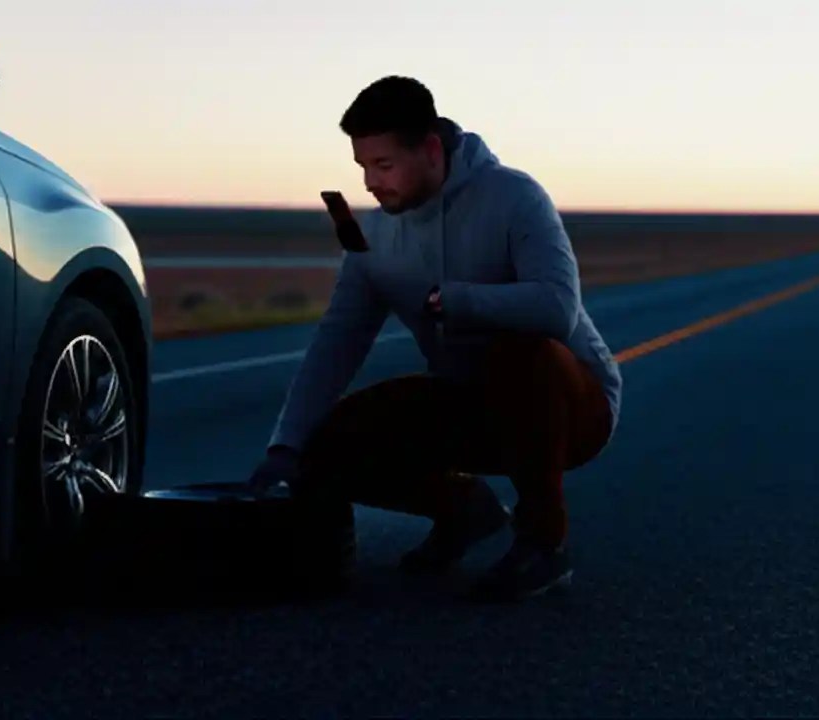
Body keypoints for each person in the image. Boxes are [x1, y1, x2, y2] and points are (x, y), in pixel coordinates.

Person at [247, 76, 623, 603]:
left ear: (429, 149)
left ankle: (544, 542)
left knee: (521, 352)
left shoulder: (515, 196)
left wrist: (460, 299)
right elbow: (338, 342)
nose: (370, 183)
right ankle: (463, 509)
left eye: (383, 165)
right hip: (467, 403)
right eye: (362, 167)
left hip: (569, 406)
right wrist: (285, 446)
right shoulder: (375, 236)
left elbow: (557, 309)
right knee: (326, 445)